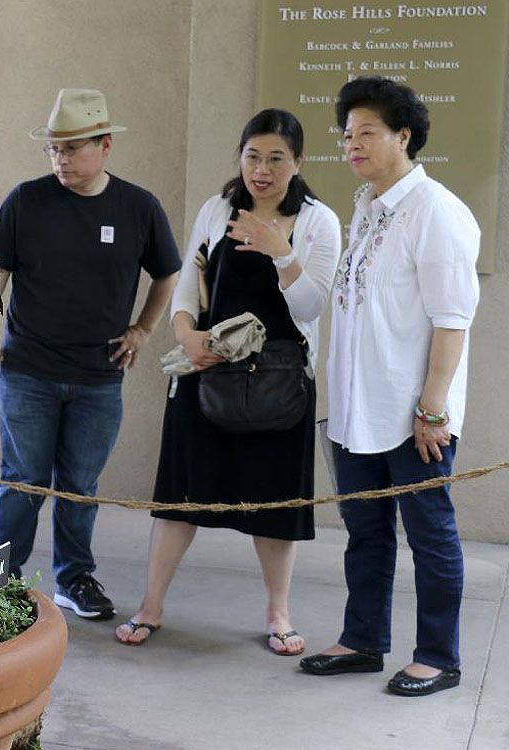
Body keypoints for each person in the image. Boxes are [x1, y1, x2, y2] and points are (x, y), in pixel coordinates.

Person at [115, 109, 341, 652]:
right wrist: (186, 333)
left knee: (275, 504)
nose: (261, 170)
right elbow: (189, 288)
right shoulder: (218, 209)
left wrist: (279, 250)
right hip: (207, 370)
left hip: (280, 379)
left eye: (275, 159)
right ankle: (151, 606)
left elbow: (313, 303)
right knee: (180, 496)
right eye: (252, 156)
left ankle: (279, 614)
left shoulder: (319, 221)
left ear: (299, 162)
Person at [0, 88, 180, 620]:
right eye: (53, 149)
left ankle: (74, 579)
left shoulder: (138, 207)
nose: (61, 159)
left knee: (80, 488)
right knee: (21, 481)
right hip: (28, 370)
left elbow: (168, 271)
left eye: (73, 148)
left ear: (105, 146)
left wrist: (143, 330)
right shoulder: (26, 200)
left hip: (98, 376)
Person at [300, 77, 480, 697]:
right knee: (366, 533)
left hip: (413, 416)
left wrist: (432, 409)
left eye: (367, 132)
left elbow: (452, 321)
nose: (352, 144)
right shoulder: (367, 207)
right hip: (358, 412)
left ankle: (438, 655)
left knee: (430, 535)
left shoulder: (436, 211)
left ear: (404, 136)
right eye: (347, 134)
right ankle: (363, 639)